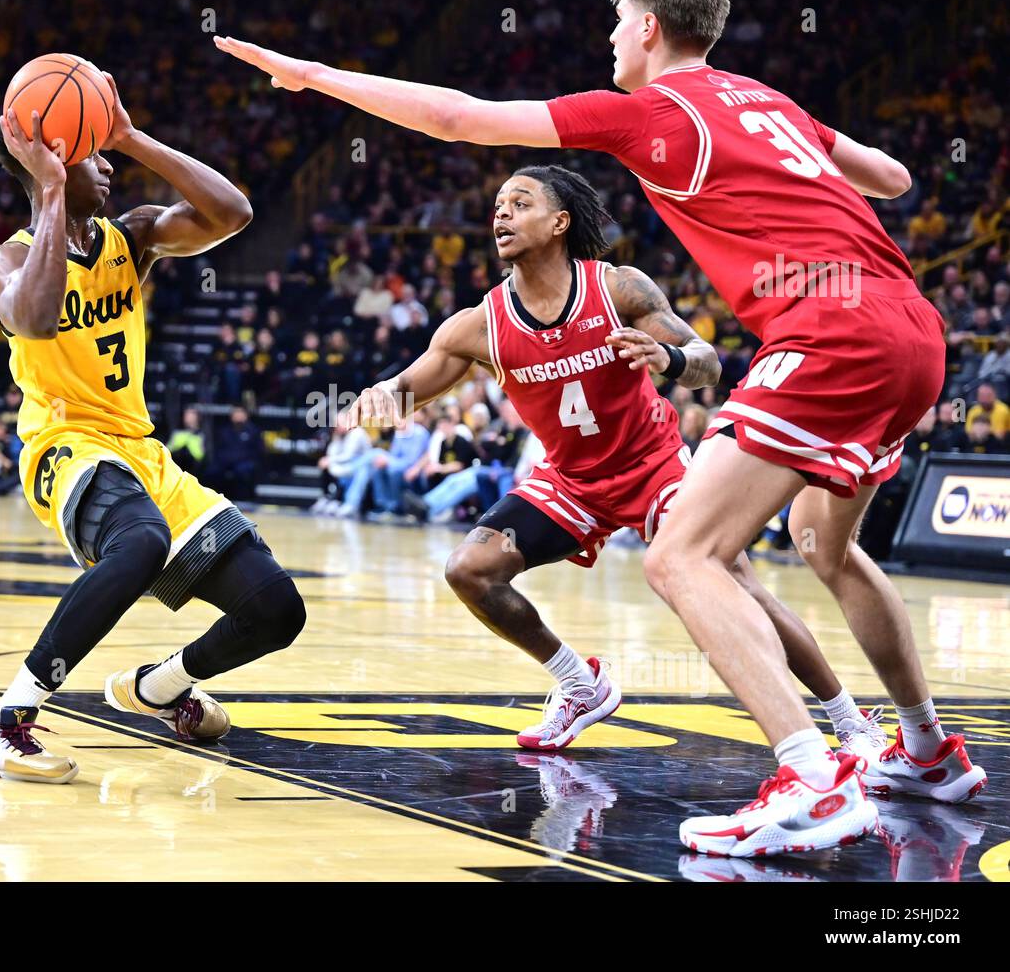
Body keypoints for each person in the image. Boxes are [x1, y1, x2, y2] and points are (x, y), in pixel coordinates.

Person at [220, 0, 986, 853]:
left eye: (618, 22)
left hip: (831, 335)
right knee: (828, 542)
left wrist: (311, 75)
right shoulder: (770, 102)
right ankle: (929, 750)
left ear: (651, 27)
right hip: (912, 328)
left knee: (681, 557)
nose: (611, 38)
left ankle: (814, 775)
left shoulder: (649, 115)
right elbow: (893, 178)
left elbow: (459, 117)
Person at [345, 166, 865, 787]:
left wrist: (668, 358)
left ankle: (849, 722)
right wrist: (376, 397)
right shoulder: (477, 327)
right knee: (470, 570)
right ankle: (580, 684)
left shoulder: (617, 289)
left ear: (560, 223)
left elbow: (708, 364)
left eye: (520, 202)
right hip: (570, 482)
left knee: (734, 582)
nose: (501, 215)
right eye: (497, 205)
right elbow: (405, 391)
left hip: (655, 469)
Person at [0, 71, 305, 785]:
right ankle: (3, 723)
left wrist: (128, 133)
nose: (108, 167)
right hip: (64, 448)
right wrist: (52, 190)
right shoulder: (8, 258)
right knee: (141, 539)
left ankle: (158, 687)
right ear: (51, 160)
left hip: (141, 453)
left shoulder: (135, 236)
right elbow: (34, 318)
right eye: (91, 153)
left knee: (276, 609)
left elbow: (234, 211)